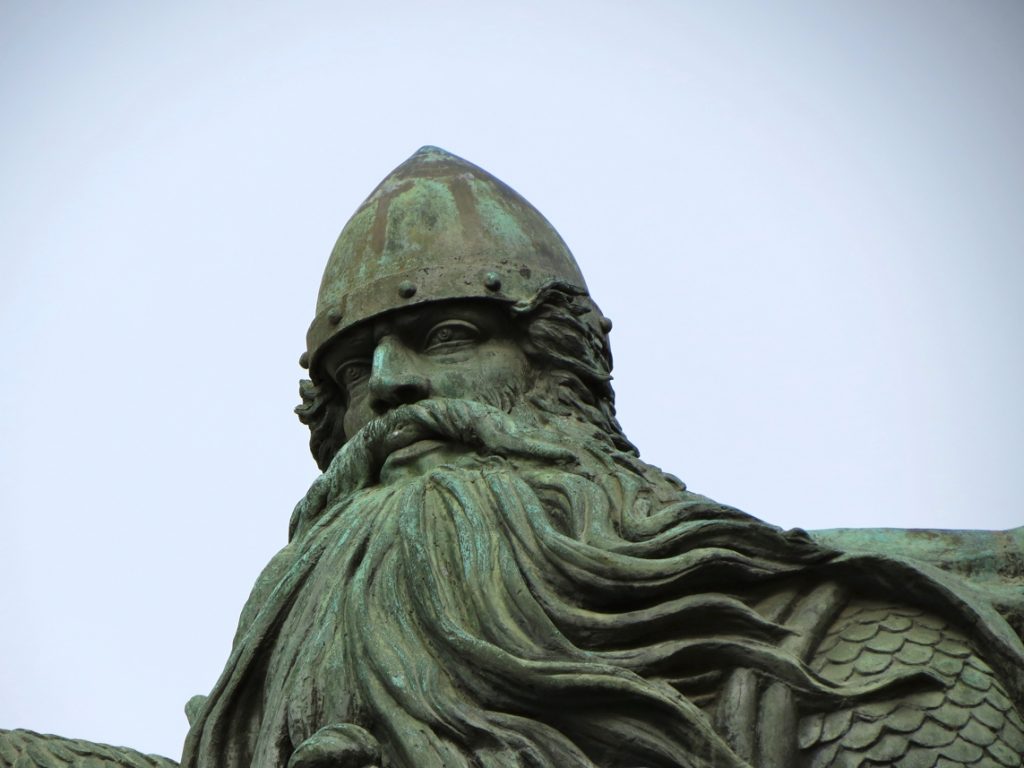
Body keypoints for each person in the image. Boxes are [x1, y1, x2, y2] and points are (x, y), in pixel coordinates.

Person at [4, 147, 1022, 767]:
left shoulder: (847, 658)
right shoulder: (257, 732)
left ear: (557, 377)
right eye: (357, 369)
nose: (392, 386)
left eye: (448, 336)